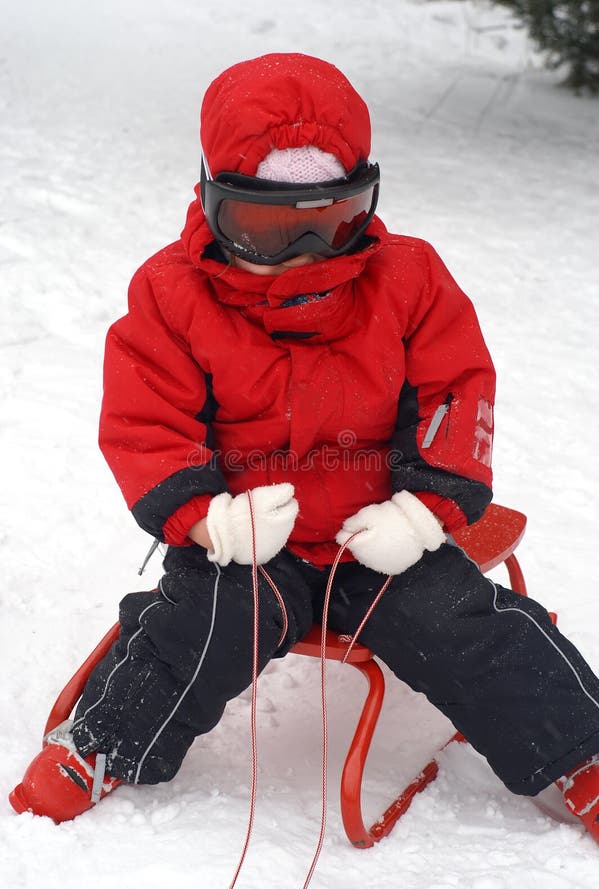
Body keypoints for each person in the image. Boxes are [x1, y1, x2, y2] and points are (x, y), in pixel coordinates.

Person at [9, 52, 599, 843]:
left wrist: (423, 514)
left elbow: (457, 394)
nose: (305, 252)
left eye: (333, 219)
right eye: (265, 227)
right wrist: (211, 519)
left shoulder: (409, 280)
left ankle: (583, 753)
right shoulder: (171, 294)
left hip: (381, 537)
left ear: (365, 197)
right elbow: (145, 420)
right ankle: (103, 744)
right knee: (206, 621)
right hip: (253, 543)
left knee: (466, 623)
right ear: (215, 203)